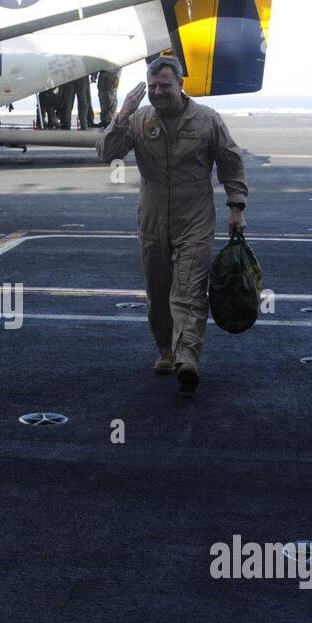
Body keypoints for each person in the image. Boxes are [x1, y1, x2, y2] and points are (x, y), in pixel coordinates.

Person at [96, 55, 249, 393]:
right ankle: (165, 349)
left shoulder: (207, 120)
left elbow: (231, 162)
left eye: (165, 85)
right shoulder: (138, 120)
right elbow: (107, 153)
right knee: (159, 291)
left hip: (194, 215)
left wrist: (236, 207)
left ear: (181, 83)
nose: (158, 92)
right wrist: (122, 115)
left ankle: (188, 357)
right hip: (152, 217)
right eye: (152, 87)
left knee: (189, 289)